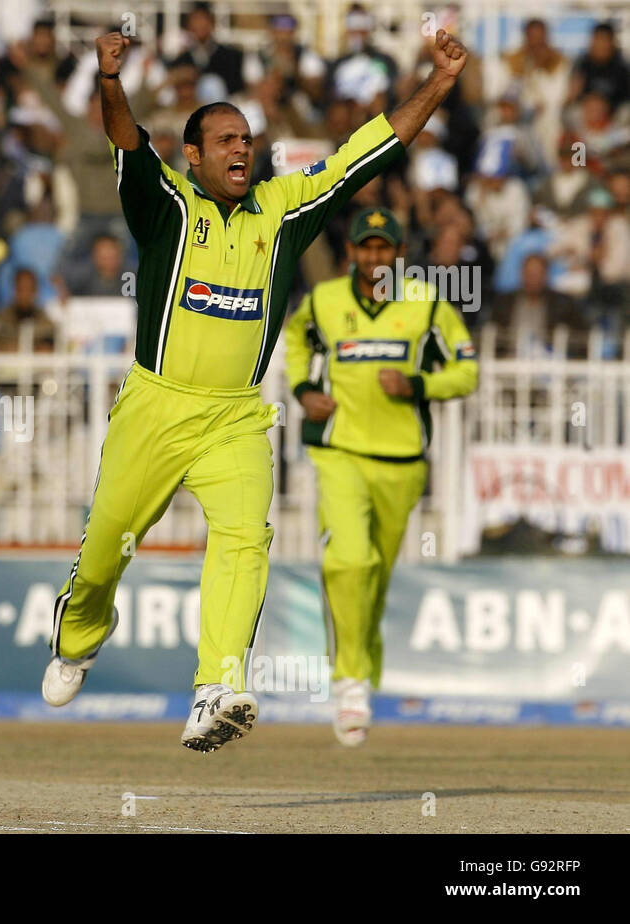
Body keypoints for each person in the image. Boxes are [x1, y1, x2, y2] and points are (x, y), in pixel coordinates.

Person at [41, 29, 468, 754]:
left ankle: (217, 685)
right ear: (196, 155)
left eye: (249, 138)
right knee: (102, 561)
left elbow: (368, 151)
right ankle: (79, 637)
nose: (242, 149)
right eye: (226, 139)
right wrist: (111, 80)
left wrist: (438, 82)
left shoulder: (284, 209)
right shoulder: (166, 206)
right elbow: (127, 141)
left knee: (245, 539)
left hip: (235, 418)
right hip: (155, 406)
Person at [284, 208, 478, 746]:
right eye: (365, 248)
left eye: (383, 248)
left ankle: (359, 673)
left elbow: (467, 371)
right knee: (349, 561)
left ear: (399, 254)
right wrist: (303, 392)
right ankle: (350, 684)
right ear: (351, 252)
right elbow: (296, 342)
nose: (374, 258)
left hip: (401, 463)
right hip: (339, 451)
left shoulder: (427, 304)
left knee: (376, 577)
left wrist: (418, 384)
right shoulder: (324, 301)